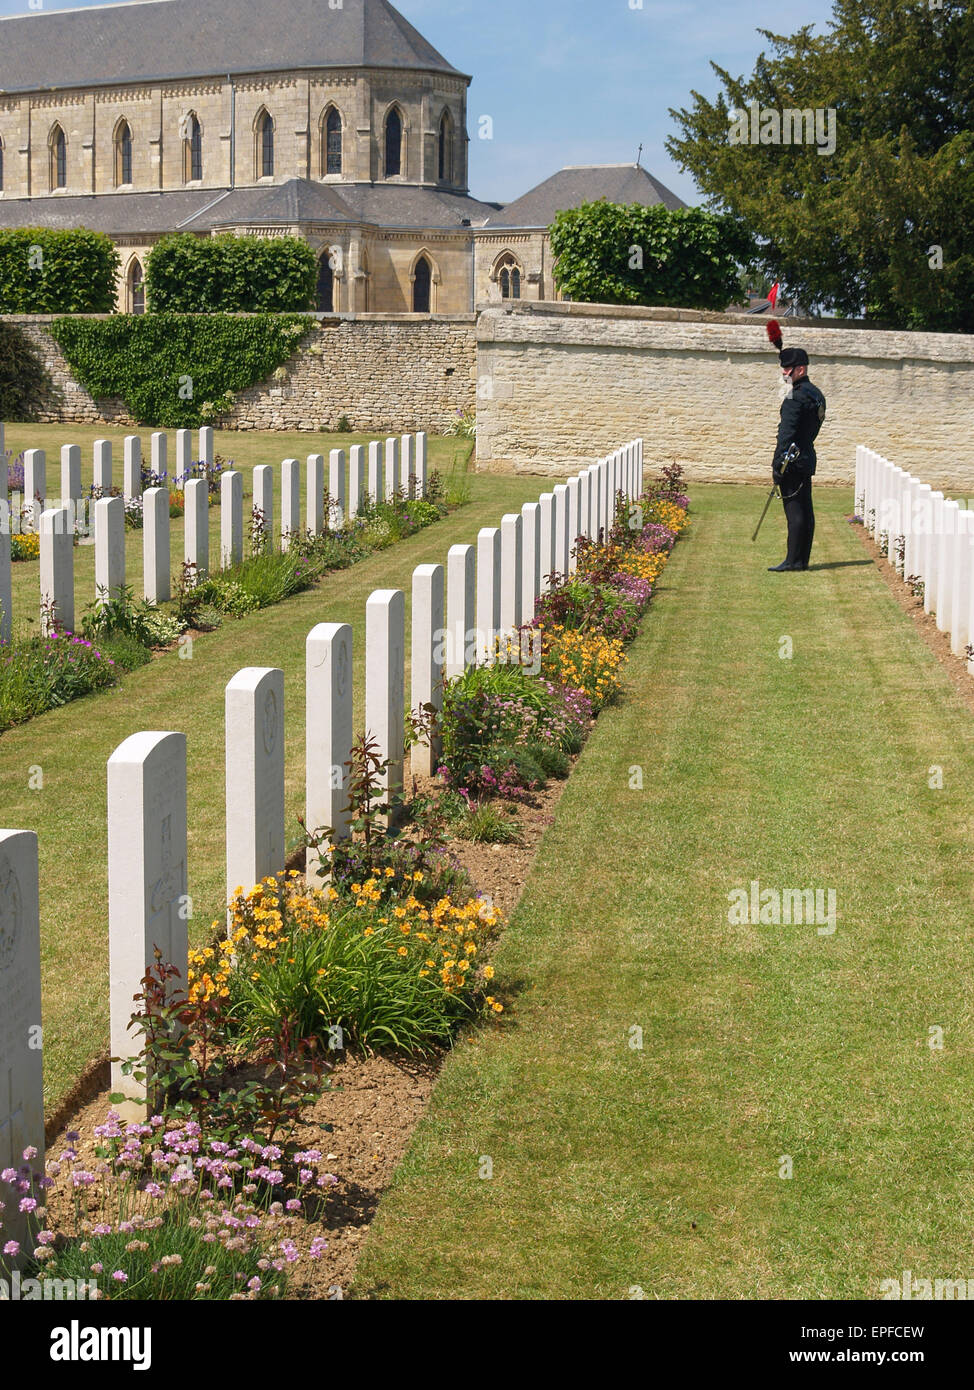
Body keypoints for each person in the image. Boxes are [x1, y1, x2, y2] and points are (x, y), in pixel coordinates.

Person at [768, 347, 827, 572]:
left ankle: (793, 561)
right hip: (806, 457)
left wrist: (777, 465)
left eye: (788, 369)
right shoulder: (816, 394)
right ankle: (801, 560)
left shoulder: (795, 396)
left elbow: (786, 434)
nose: (784, 373)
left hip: (791, 461)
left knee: (795, 513)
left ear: (800, 369)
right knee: (805, 511)